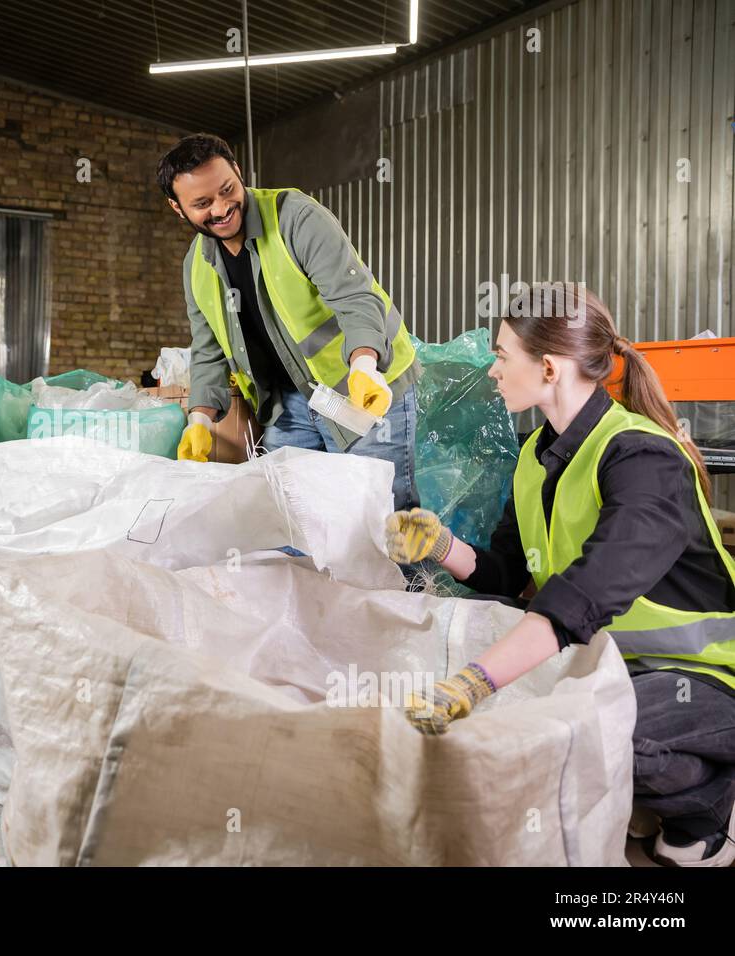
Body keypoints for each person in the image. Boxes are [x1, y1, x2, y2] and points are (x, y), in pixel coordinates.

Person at [385, 283, 735, 867]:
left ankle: (705, 800)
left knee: (573, 732)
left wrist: (474, 683)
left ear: (548, 368)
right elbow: (503, 572)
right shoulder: (534, 458)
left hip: (702, 675)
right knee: (549, 727)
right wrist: (441, 546)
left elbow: (586, 593)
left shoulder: (643, 458)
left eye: (501, 355)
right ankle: (647, 775)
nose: (493, 370)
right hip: (606, 664)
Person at [157, 133, 421, 510]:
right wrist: (199, 419)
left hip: (360, 390)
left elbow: (354, 297)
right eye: (201, 203)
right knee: (291, 522)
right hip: (287, 405)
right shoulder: (196, 265)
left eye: (227, 189)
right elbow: (208, 350)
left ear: (237, 170)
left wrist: (365, 364)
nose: (221, 208)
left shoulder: (295, 217)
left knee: (383, 522)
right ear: (177, 207)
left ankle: (416, 575)